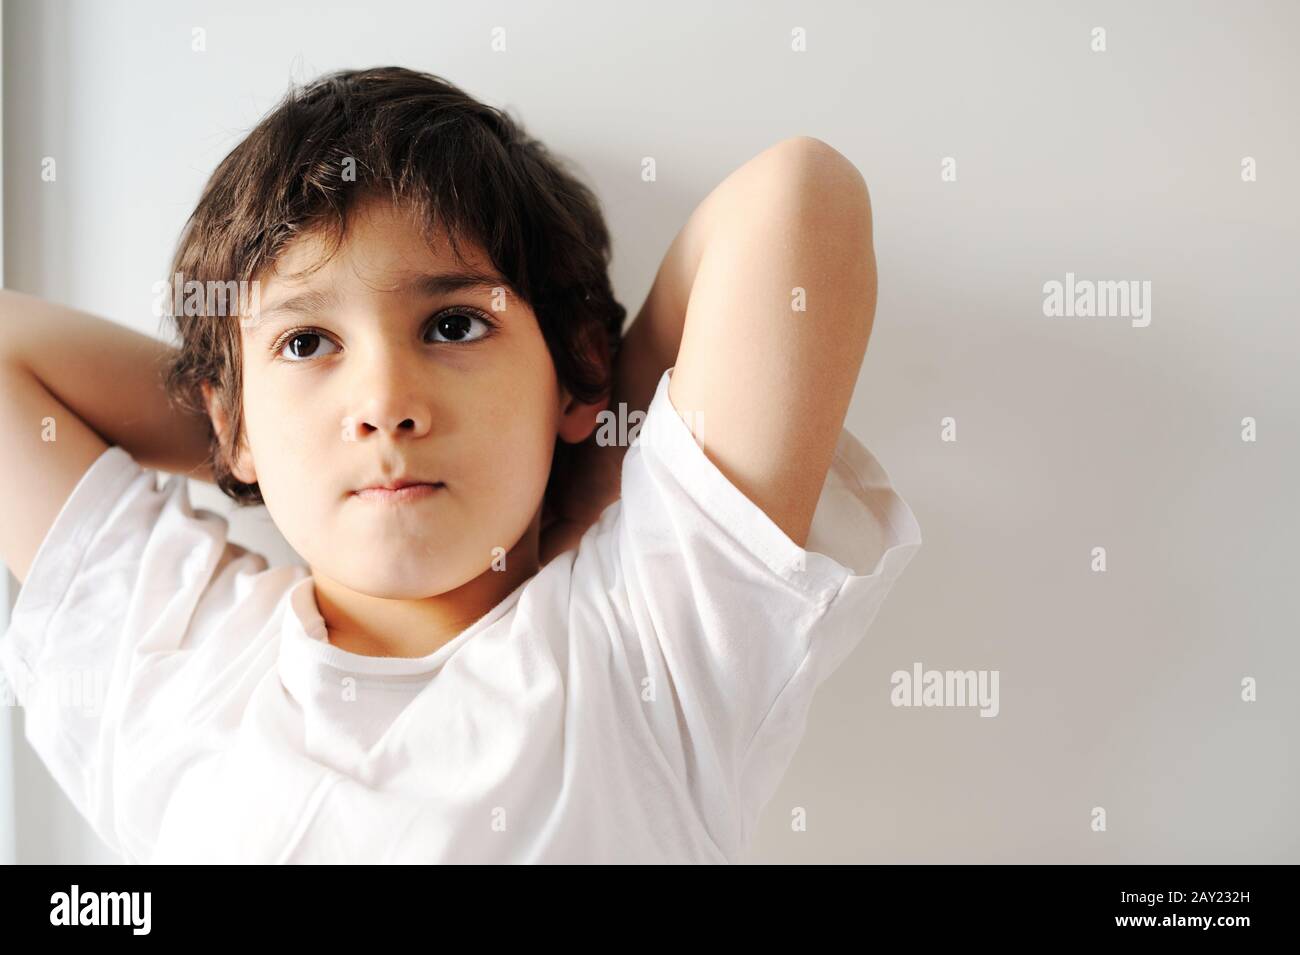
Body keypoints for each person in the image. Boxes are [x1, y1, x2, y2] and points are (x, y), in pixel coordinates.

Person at [0, 66, 921, 863]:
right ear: (231, 420)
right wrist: (244, 433)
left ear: (578, 369)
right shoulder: (177, 666)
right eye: (309, 340)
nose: (384, 402)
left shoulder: (646, 647)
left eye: (453, 324)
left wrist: (594, 462)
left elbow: (800, 199)